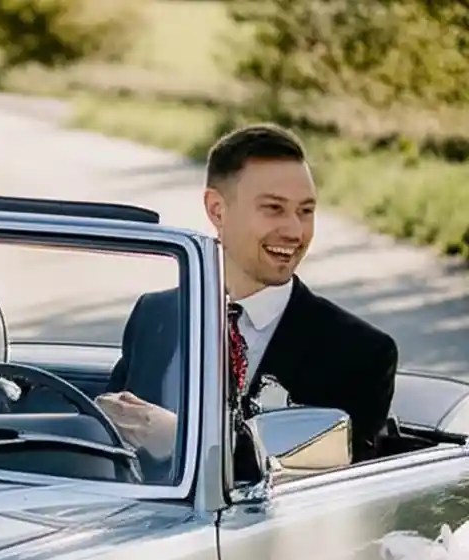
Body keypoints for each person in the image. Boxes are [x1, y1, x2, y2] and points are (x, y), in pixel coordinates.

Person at [98, 123, 398, 465]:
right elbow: (110, 441)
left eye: (306, 211)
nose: (295, 231)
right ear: (217, 210)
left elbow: (335, 479)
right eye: (274, 208)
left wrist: (184, 440)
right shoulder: (155, 315)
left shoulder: (361, 354)